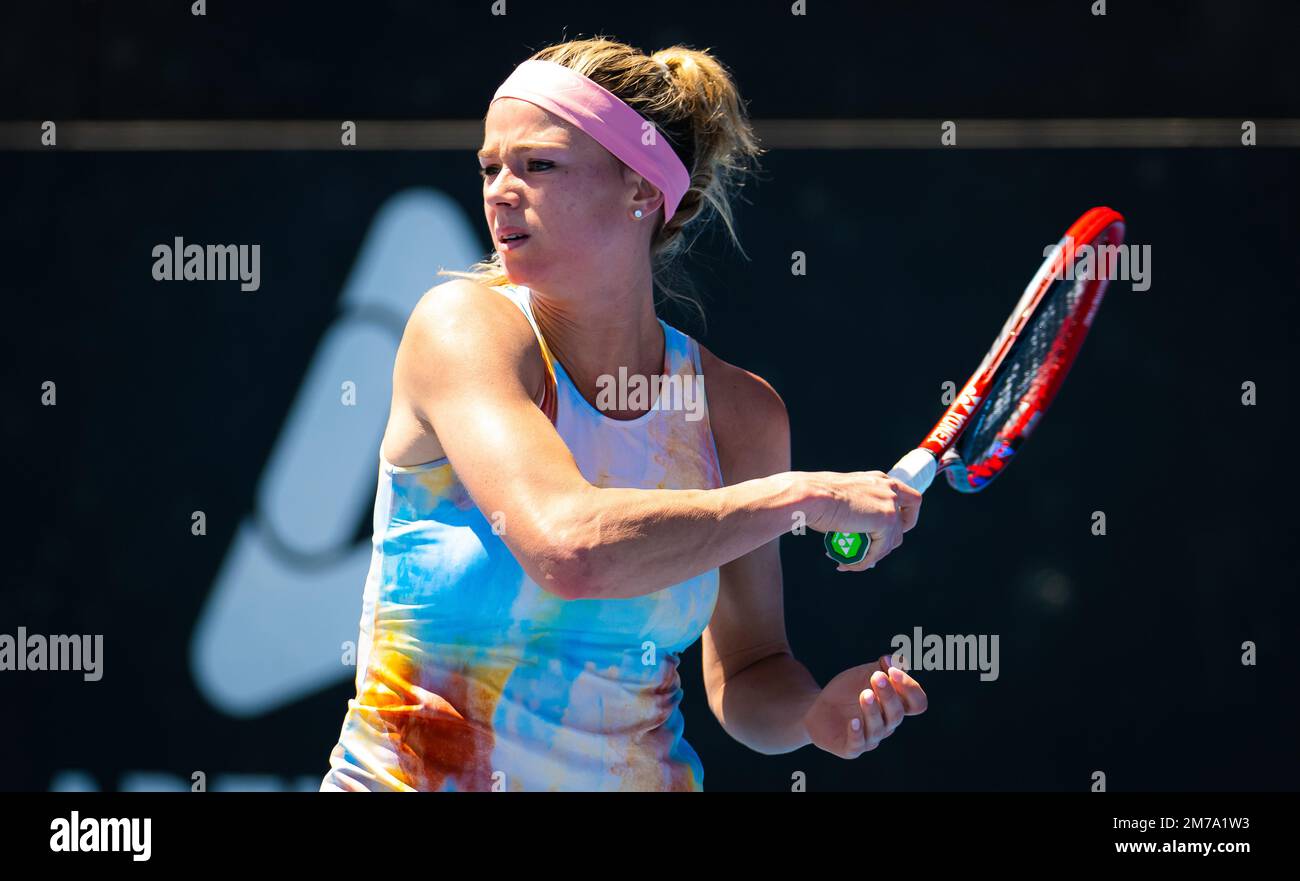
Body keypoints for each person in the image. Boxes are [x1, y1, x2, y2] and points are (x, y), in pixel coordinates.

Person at [321, 36, 926, 792]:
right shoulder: (461, 329)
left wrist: (811, 714)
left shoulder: (739, 413)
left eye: (537, 165)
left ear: (640, 189)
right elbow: (569, 548)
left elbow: (749, 668)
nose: (501, 190)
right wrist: (799, 496)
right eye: (489, 167)